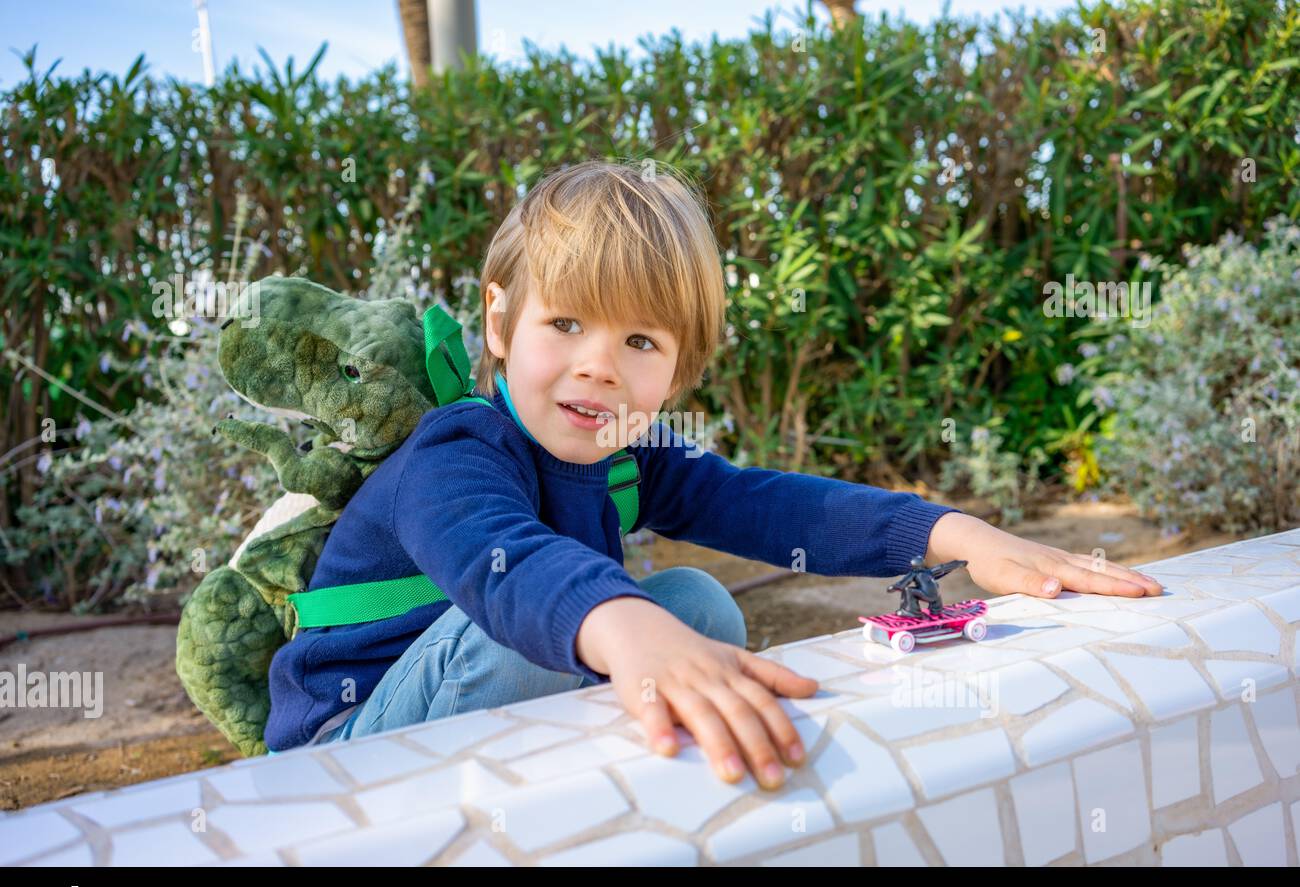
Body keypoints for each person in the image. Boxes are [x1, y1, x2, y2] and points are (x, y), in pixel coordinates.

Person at [263, 160, 1162, 790]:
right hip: (355, 745)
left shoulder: (622, 455)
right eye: (566, 325)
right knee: (593, 623)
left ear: (678, 367)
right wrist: (624, 631)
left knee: (693, 604)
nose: (598, 367)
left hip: (496, 713)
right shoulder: (454, 454)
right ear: (500, 322)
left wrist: (958, 537)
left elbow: (768, 503)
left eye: (640, 342)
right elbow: (508, 566)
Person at [889, 557, 966, 617]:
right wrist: (959, 563)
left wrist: (894, 587)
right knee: (935, 587)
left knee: (908, 590)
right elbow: (944, 567)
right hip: (936, 597)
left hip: (926, 595)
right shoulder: (930, 571)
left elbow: (904, 583)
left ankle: (911, 611)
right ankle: (936, 609)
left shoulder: (914, 573)